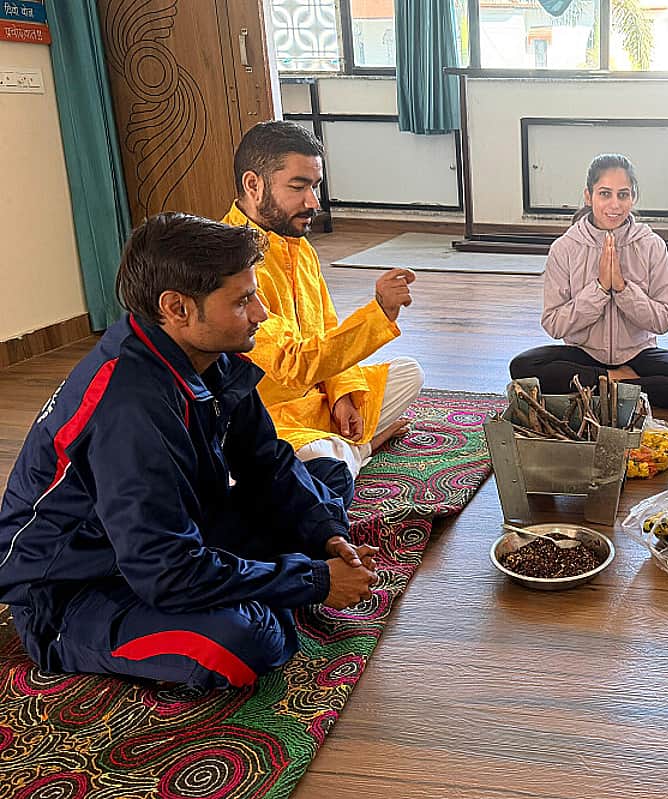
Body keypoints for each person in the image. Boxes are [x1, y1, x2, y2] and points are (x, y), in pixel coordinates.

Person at [0, 214, 379, 690]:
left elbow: (266, 460)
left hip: (172, 531)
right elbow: (165, 569)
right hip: (78, 588)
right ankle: (82, 639)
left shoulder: (212, 356)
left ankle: (279, 573)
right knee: (245, 643)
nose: (261, 313)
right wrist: (312, 582)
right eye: (244, 301)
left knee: (324, 481)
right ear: (177, 308)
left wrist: (327, 536)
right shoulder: (130, 407)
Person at [222, 121, 423, 476]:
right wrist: (378, 314)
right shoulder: (233, 265)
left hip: (316, 402)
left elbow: (326, 328)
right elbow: (291, 364)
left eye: (315, 187)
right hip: (270, 419)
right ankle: (355, 452)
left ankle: (345, 449)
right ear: (253, 184)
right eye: (298, 187)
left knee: (410, 373)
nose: (313, 202)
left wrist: (342, 395)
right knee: (324, 457)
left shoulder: (299, 247)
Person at [509, 153, 668, 408]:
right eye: (605, 193)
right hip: (583, 355)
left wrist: (622, 288)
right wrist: (598, 290)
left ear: (633, 197)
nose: (615, 205)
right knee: (523, 367)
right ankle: (619, 384)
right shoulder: (565, 248)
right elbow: (554, 324)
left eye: (623, 194)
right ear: (588, 195)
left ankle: (598, 390)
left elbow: (664, 318)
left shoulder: (651, 245)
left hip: (638, 355)